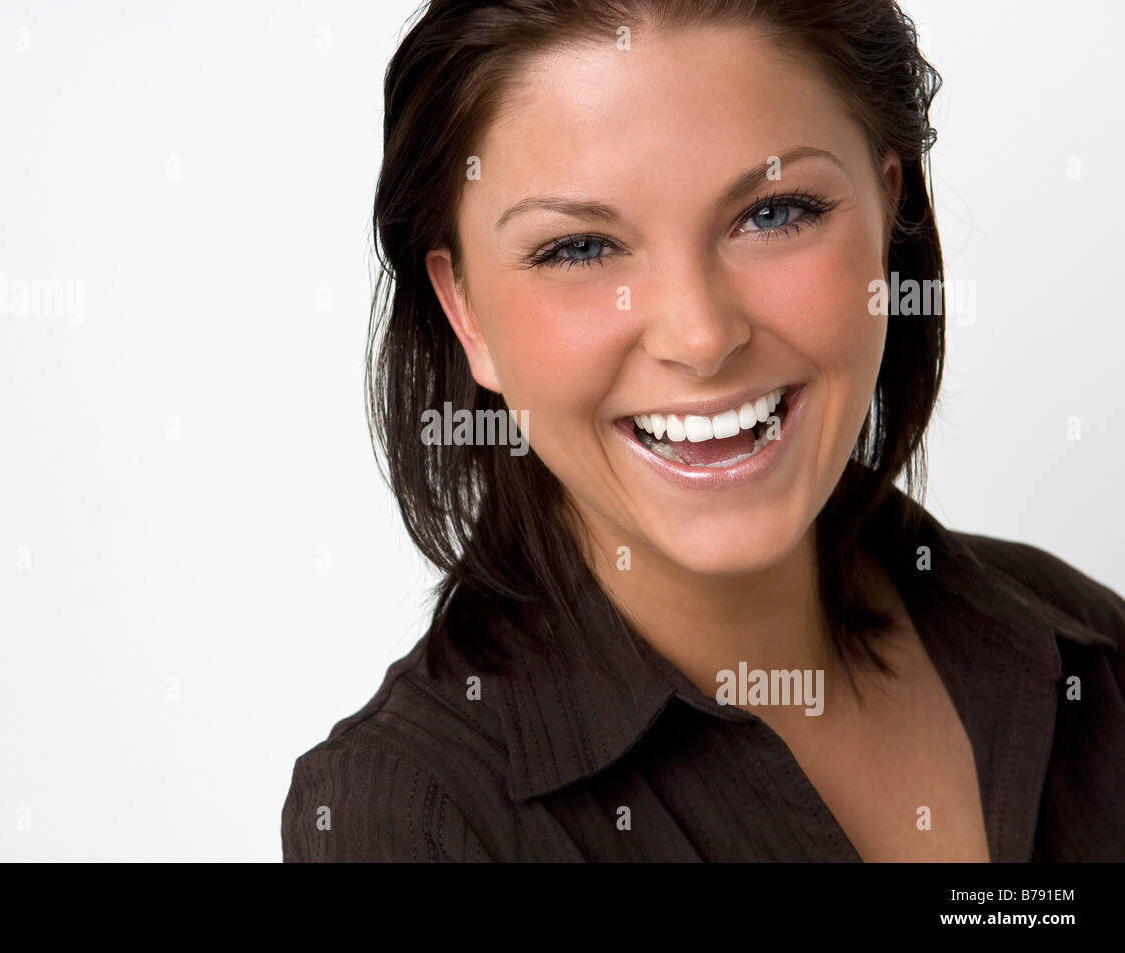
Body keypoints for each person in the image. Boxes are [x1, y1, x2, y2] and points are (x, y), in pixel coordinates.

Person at [282, 0, 1125, 862]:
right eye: (578, 249)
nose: (700, 336)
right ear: (465, 309)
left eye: (773, 214)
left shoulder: (1084, 647)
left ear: (887, 210)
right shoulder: (409, 824)